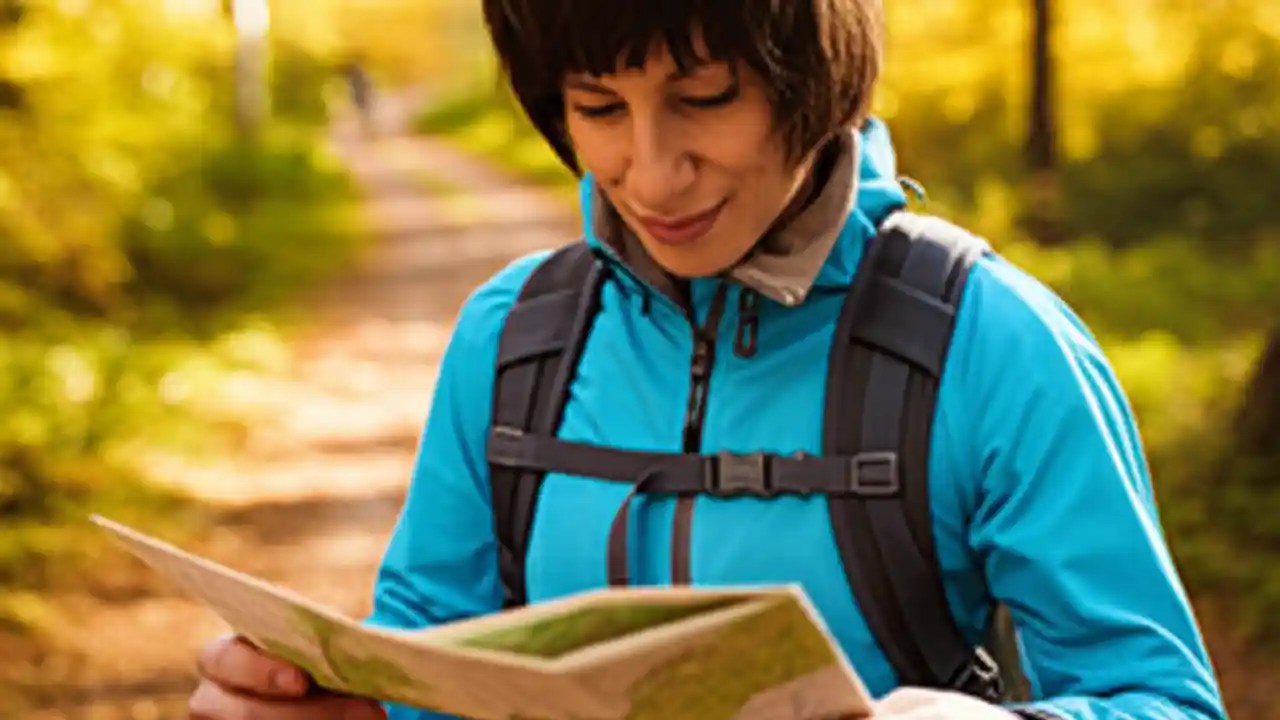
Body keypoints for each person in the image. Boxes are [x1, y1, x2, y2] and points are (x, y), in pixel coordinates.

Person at [186, 1, 1229, 718]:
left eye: (704, 97)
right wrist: (337, 704)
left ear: (810, 80)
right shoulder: (510, 338)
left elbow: (1161, 696)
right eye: (598, 108)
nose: (651, 171)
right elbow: (425, 659)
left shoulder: (990, 345)